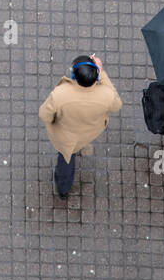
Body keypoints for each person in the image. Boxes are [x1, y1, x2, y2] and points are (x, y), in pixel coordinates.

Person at [39, 55, 122, 199]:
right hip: (88, 133)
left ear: (74, 76)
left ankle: (63, 189)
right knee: (77, 146)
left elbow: (44, 114)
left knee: (66, 159)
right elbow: (116, 105)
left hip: (66, 138)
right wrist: (102, 73)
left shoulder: (61, 94)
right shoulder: (106, 95)